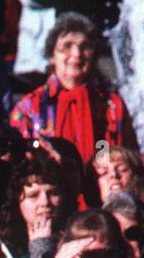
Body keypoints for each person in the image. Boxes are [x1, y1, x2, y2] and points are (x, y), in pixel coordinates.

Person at [8, 11, 135, 165]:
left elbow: (126, 160)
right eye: (67, 46)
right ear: (52, 55)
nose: (76, 54)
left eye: (85, 47)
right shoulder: (27, 109)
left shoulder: (112, 106)